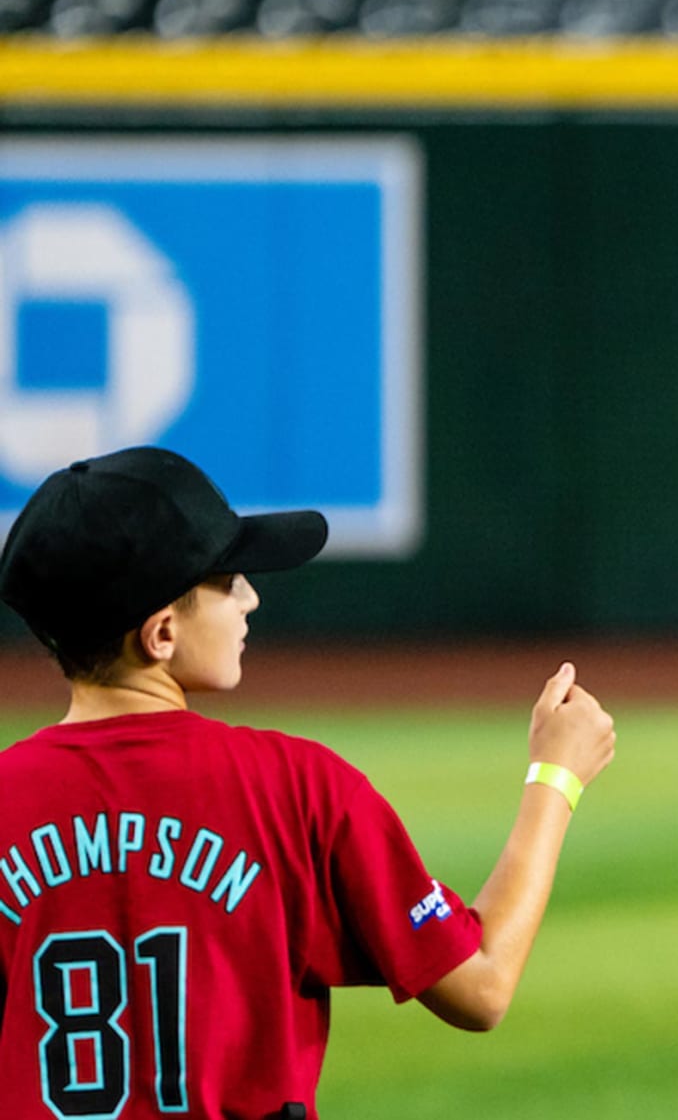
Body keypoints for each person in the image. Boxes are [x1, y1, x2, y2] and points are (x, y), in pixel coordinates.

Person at [0, 446, 615, 1117]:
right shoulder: (297, 787)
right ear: (161, 634)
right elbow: (482, 984)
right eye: (228, 578)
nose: (250, 597)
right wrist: (555, 776)